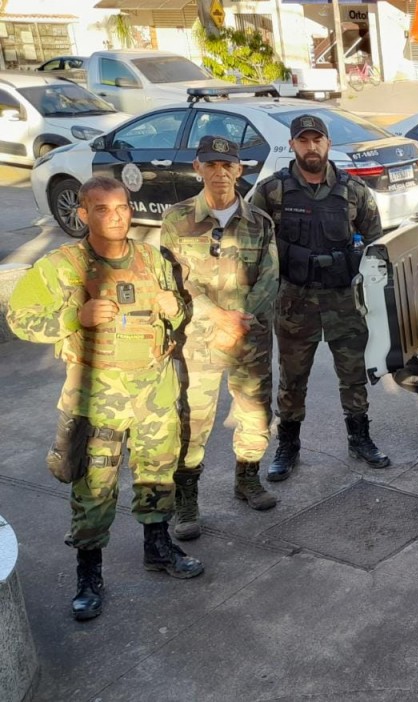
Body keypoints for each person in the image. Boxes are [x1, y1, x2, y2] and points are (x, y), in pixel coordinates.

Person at [6, 176, 203, 621]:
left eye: (122, 208)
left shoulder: (153, 258)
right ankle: (88, 573)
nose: (115, 217)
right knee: (93, 488)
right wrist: (75, 316)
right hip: (99, 399)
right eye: (102, 209)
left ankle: (158, 547)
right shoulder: (63, 266)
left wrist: (175, 307)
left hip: (155, 392)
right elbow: (19, 318)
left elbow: (180, 311)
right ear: (83, 214)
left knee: (157, 475)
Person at [250, 114, 390, 480]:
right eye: (303, 140)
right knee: (292, 379)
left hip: (344, 301)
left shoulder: (354, 191)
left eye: (317, 140)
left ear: (328, 143)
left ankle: (360, 438)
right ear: (292, 145)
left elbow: (377, 245)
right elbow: (252, 244)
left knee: (353, 374)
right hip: (294, 302)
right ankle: (288, 445)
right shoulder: (271, 191)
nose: (310, 147)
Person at [161, 136, 280, 541]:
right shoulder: (177, 219)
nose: (219, 173)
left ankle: (247, 479)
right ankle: (187, 501)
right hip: (199, 341)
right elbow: (173, 278)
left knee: (255, 412)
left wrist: (241, 320)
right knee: (192, 421)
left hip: (249, 337)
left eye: (227, 165)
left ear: (239, 170)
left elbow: (270, 277)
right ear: (197, 168)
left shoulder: (260, 222)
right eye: (210, 165)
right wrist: (218, 317)